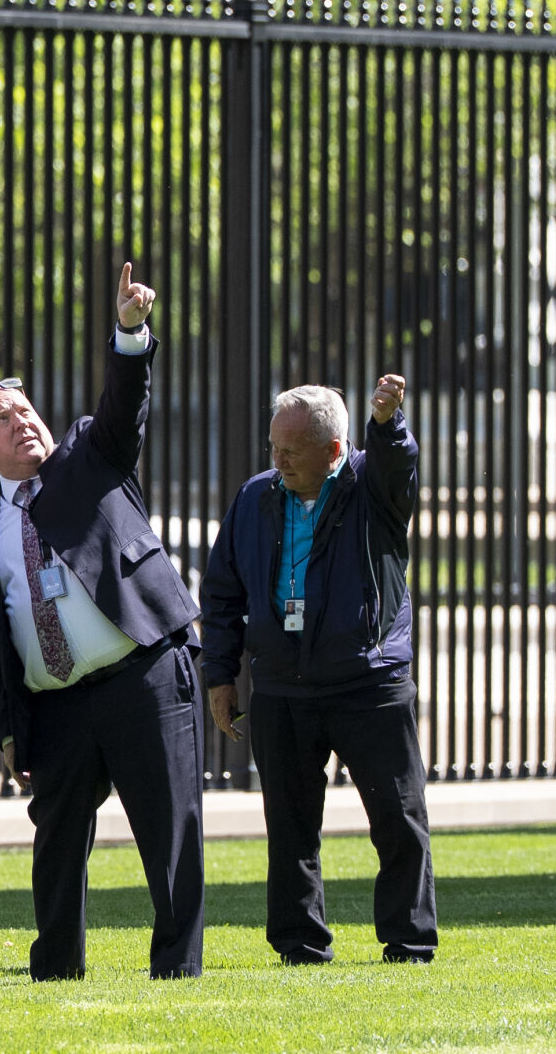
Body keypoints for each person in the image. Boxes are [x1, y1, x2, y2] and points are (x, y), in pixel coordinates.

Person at [0, 262, 206, 981]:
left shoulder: (89, 454)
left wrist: (130, 333)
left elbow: (125, 402)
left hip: (143, 677)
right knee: (57, 841)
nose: (21, 423)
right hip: (59, 704)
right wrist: (8, 726)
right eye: (2, 421)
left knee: (169, 830)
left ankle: (176, 967)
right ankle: (56, 966)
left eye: (25, 411)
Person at [199, 376, 438, 965]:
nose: (277, 459)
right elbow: (223, 592)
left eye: (291, 449)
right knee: (289, 827)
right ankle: (298, 944)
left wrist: (388, 425)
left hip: (368, 681)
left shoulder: (370, 488)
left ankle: (408, 942)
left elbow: (397, 466)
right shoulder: (256, 497)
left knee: (398, 820)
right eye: (273, 446)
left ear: (334, 451)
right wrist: (221, 675)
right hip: (282, 684)